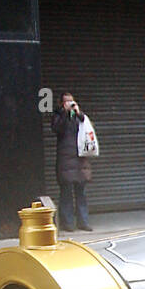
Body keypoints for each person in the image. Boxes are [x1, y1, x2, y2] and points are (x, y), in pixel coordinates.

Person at [51, 91, 93, 232]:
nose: (70, 104)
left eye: (72, 101)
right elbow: (58, 129)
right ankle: (67, 223)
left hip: (80, 161)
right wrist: (65, 114)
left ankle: (83, 222)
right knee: (66, 194)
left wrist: (78, 113)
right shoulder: (58, 116)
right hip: (66, 162)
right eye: (67, 101)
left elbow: (88, 128)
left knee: (81, 193)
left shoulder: (79, 117)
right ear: (61, 104)